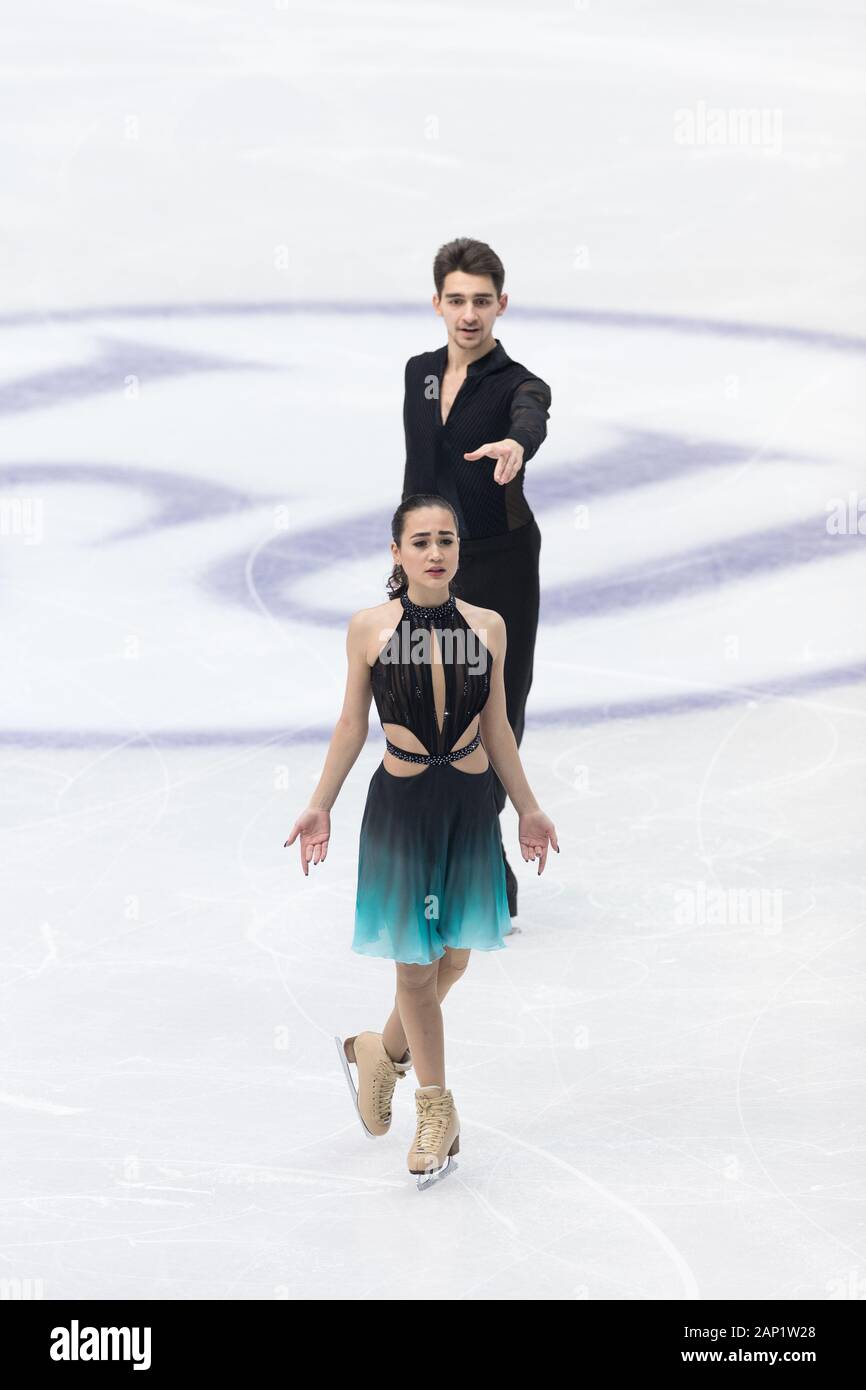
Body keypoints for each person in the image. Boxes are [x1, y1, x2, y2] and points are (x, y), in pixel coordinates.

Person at [284, 495, 559, 1189]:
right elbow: (351, 725)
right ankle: (436, 1110)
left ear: (459, 550)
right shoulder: (370, 629)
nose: (435, 552)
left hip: (468, 808)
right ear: (396, 553)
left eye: (446, 540)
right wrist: (320, 804)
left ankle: (379, 1051)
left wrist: (526, 808)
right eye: (420, 541)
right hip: (402, 809)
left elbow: (496, 725)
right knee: (415, 967)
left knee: (453, 961)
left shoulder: (488, 626)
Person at [402, 237, 552, 919]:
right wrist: (403, 555)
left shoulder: (518, 384)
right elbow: (419, 470)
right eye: (456, 299)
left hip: (499, 562)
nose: (469, 314)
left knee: (496, 706)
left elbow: (531, 419)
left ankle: (485, 846)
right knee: (434, 706)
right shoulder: (419, 374)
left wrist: (518, 444)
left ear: (502, 305)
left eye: (482, 301)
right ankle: (471, 854)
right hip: (431, 563)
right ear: (437, 302)